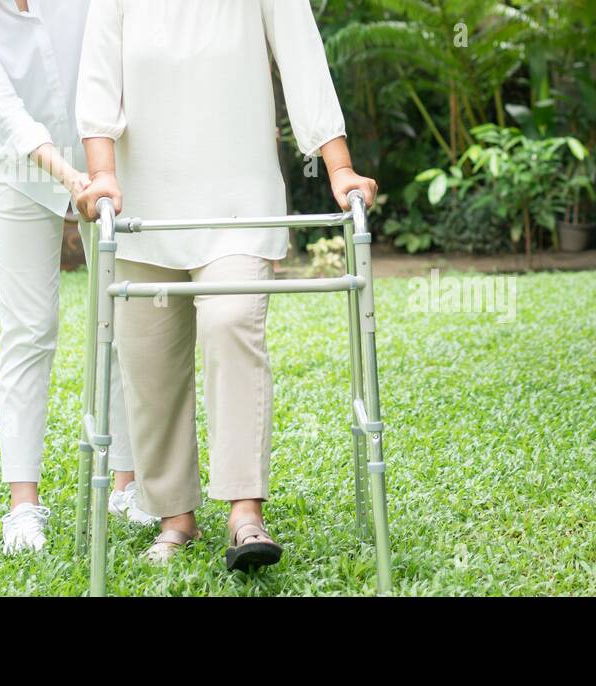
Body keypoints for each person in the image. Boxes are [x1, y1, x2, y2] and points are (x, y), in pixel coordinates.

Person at [74, 0, 378, 570]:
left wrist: (338, 167)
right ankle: (175, 516)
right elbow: (97, 82)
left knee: (231, 320)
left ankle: (245, 512)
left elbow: (303, 58)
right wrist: (104, 174)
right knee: (150, 362)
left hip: (238, 202)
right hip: (143, 204)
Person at [0, 0, 156, 554]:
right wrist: (67, 175)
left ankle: (124, 484)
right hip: (19, 168)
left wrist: (96, 171)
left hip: (111, 157)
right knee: (28, 331)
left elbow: (118, 52)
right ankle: (23, 505)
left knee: (123, 317)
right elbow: (3, 108)